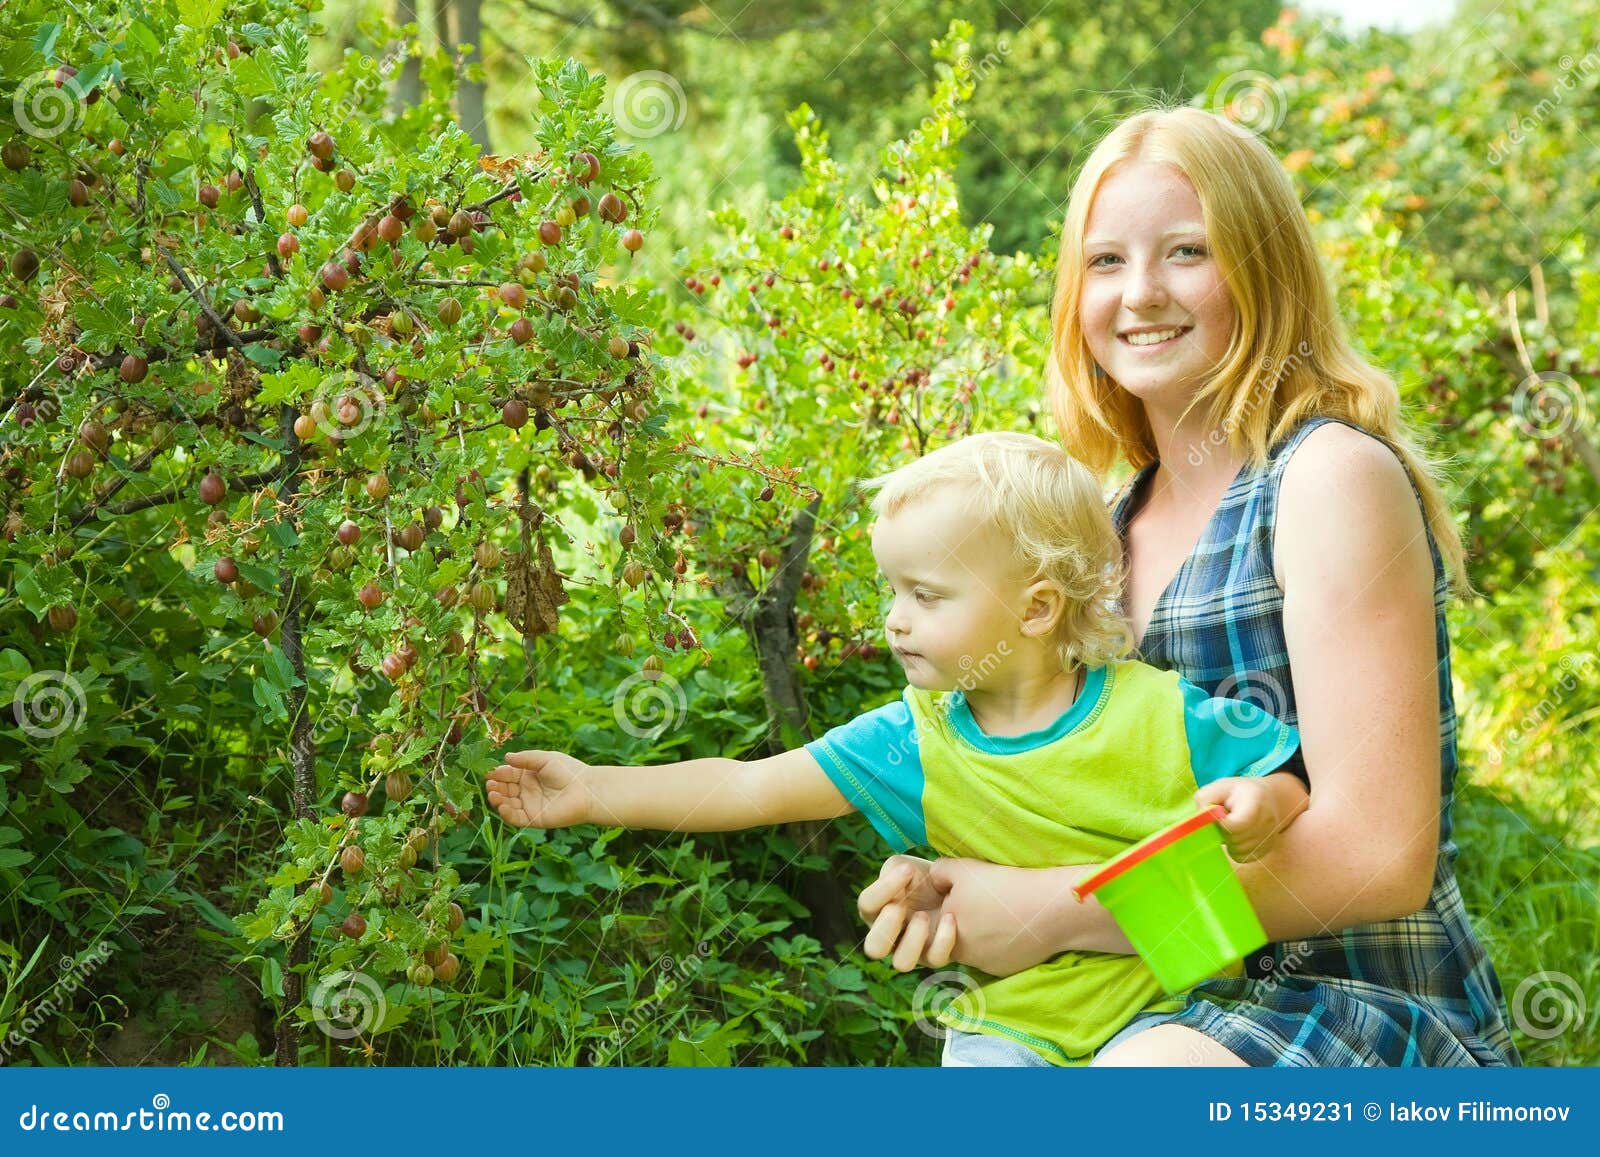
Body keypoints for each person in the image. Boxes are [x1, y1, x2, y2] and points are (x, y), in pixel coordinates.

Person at [855, 107, 1522, 1067]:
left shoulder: (1326, 478)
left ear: (1264, 269)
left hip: (1355, 1007)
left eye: (1187, 250)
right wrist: (963, 882)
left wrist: (1051, 910)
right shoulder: (1102, 526)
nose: (1141, 292)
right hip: (1149, 1003)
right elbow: (1078, 798)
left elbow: (1378, 857)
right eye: (1106, 261)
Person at [487, 431, 1311, 1066]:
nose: (895, 618)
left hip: (1173, 1011)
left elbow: (1290, 778)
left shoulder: (1158, 710)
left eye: (926, 594)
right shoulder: (913, 737)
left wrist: (1264, 802)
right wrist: (596, 789)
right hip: (1008, 1034)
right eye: (893, 589)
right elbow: (750, 787)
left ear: (1035, 608)